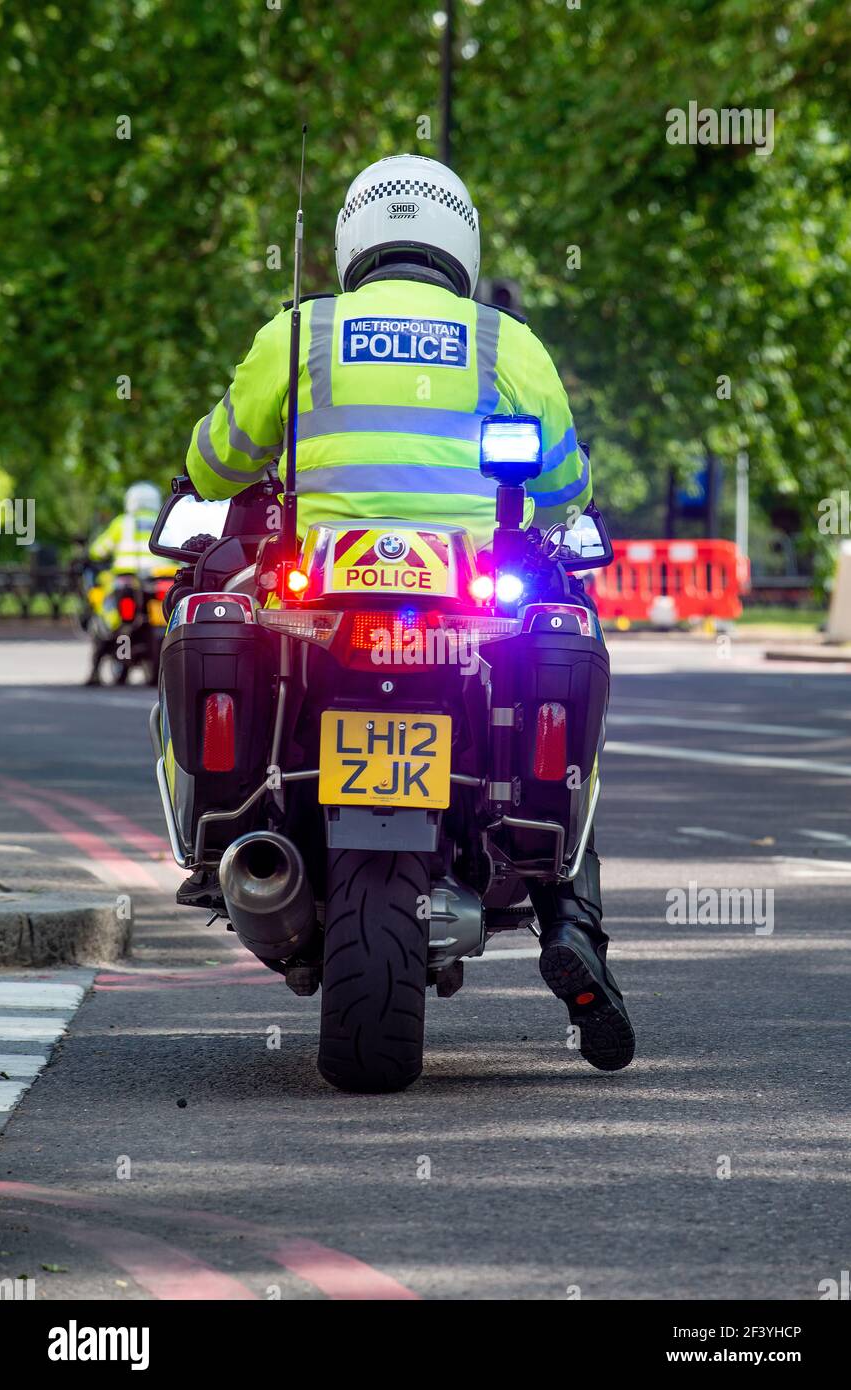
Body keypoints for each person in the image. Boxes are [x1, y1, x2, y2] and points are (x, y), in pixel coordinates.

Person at [184, 154, 634, 1071]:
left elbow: (211, 467)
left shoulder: (300, 332)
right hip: (464, 602)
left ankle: (242, 829)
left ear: (353, 240)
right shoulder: (505, 342)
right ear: (459, 245)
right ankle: (571, 916)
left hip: (321, 595)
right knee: (559, 645)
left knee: (218, 617)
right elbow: (563, 482)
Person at [85, 482, 164, 684]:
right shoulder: (164, 520)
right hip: (160, 577)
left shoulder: (123, 523)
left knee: (106, 615)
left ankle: (96, 668)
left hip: (125, 577)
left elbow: (98, 550)